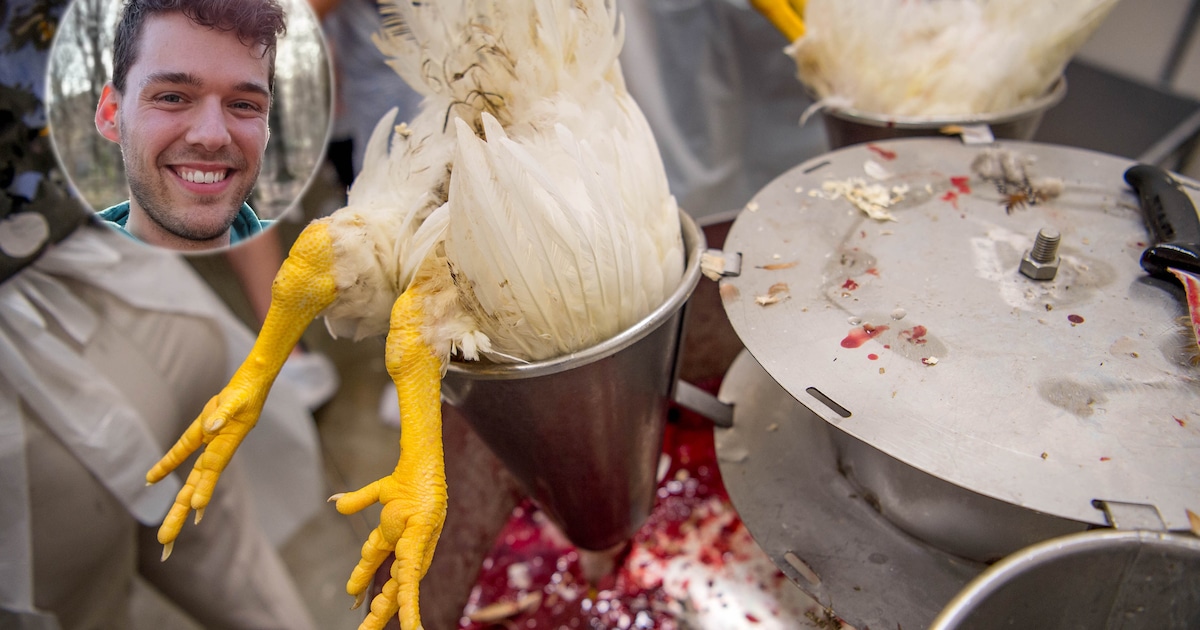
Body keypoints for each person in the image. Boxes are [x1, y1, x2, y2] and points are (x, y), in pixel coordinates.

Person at [92, 0, 287, 251]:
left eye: (243, 105)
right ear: (112, 113)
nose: (212, 136)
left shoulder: (328, 262)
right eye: (172, 98)